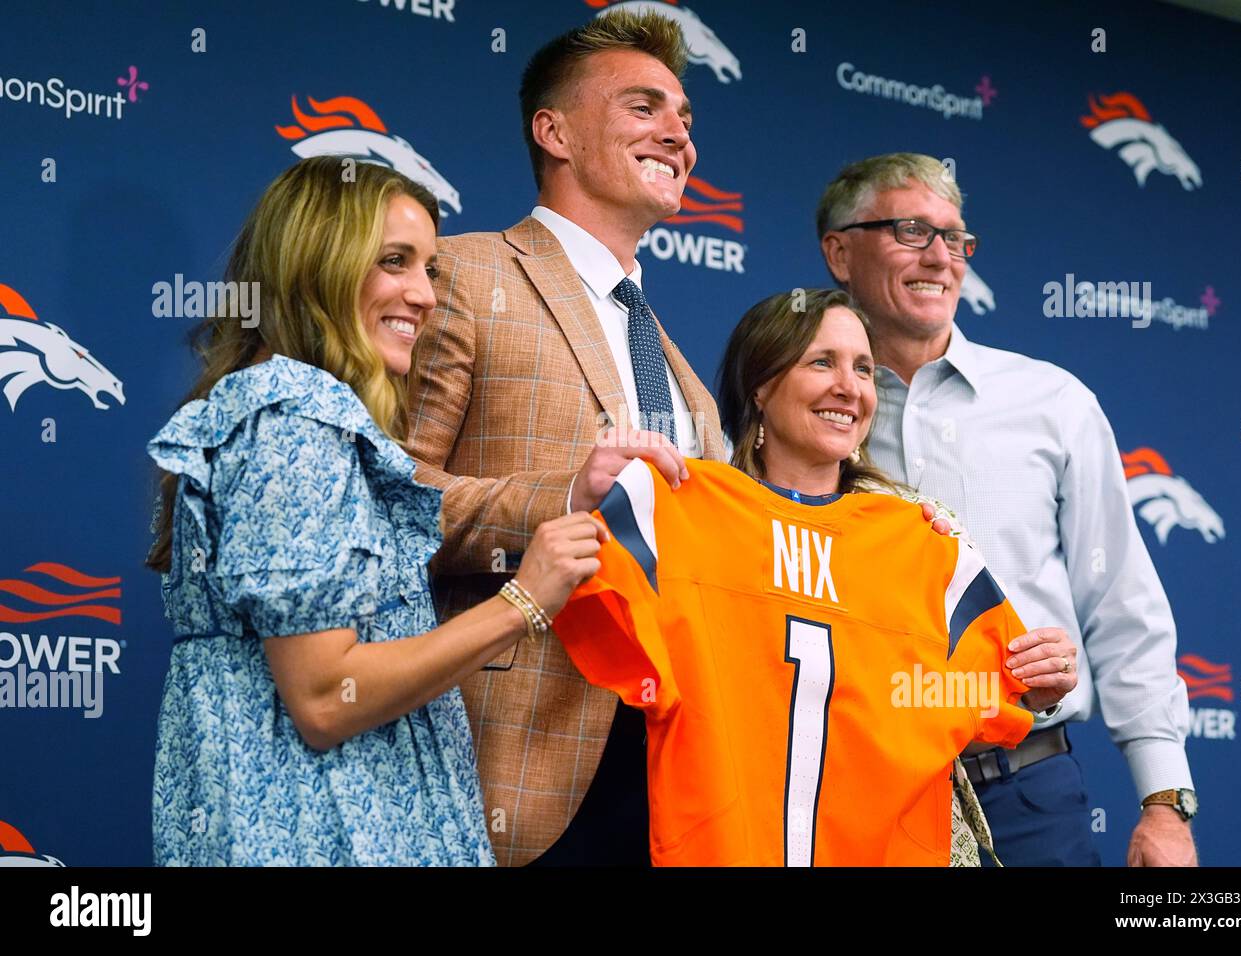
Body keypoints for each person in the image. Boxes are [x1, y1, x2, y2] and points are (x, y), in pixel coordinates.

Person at [144, 156, 603, 866]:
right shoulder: (293, 420)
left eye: (428, 268)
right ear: (318, 264)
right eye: (395, 262)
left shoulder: (289, 412)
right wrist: (525, 601)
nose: (421, 294)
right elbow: (325, 698)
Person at [406, 10, 724, 866]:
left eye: (686, 118)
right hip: (513, 757)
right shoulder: (462, 274)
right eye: (644, 108)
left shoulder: (673, 360)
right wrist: (563, 499)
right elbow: (380, 502)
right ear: (554, 131)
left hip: (671, 766)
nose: (678, 134)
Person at [817, 153, 1196, 866]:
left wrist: (1164, 804)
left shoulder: (1053, 402)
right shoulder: (795, 406)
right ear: (840, 251)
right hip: (851, 797)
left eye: (956, 239)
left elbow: (1122, 602)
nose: (940, 257)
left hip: (1025, 795)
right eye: (909, 231)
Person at [715, 287, 1079, 865]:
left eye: (863, 368)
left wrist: (1030, 679)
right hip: (741, 836)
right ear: (760, 385)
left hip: (897, 843)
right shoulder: (702, 523)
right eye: (821, 362)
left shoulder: (922, 532)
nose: (850, 386)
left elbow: (960, 696)